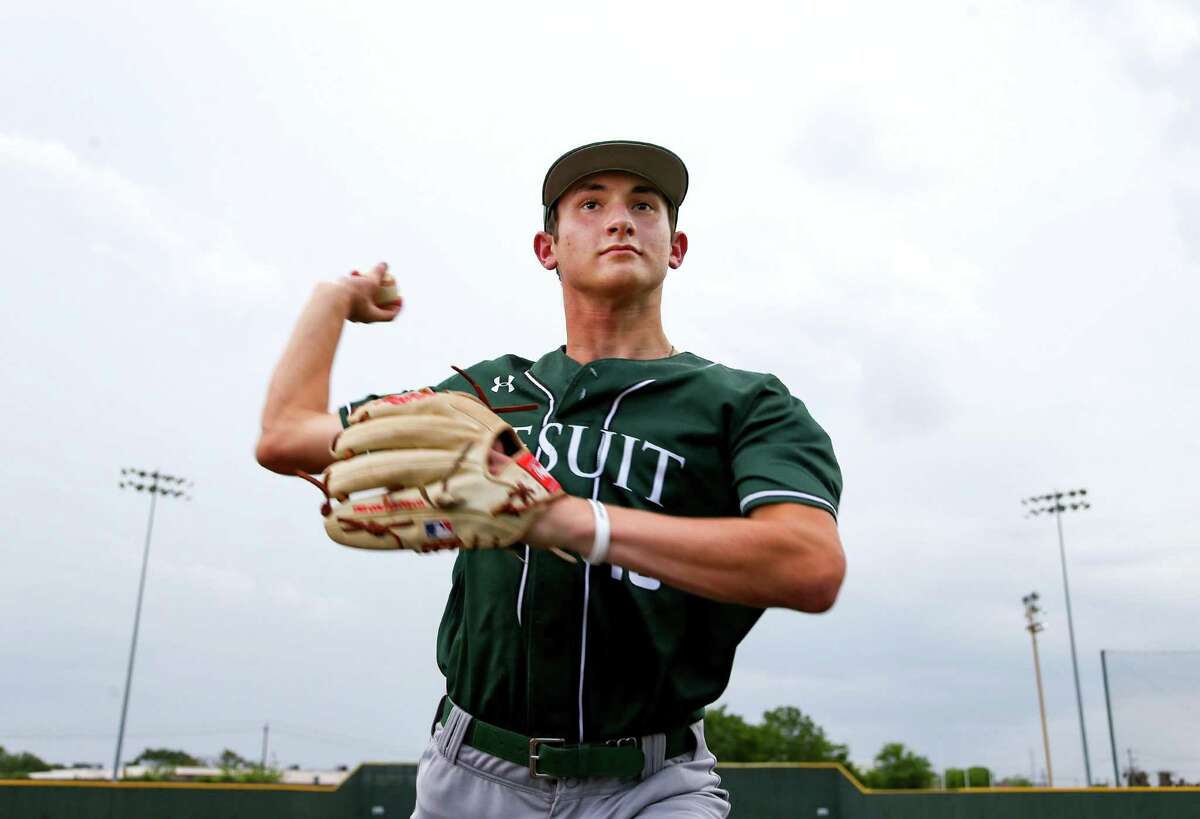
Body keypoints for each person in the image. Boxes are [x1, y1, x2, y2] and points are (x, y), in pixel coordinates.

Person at [256, 140, 846, 818]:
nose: (619, 220)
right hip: (470, 774)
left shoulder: (744, 403)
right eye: (590, 205)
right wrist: (332, 299)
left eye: (644, 206)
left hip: (653, 785)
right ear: (548, 249)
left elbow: (809, 564)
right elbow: (285, 436)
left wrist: (565, 519)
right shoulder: (484, 396)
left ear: (676, 247)